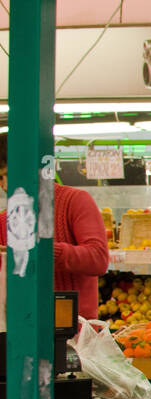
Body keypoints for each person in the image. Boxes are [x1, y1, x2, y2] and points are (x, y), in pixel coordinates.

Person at [0, 137, 109, 322]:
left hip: (76, 333)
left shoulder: (75, 201)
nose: (4, 186)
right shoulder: (5, 219)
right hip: (24, 329)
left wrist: (43, 251)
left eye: (7, 175)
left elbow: (98, 258)